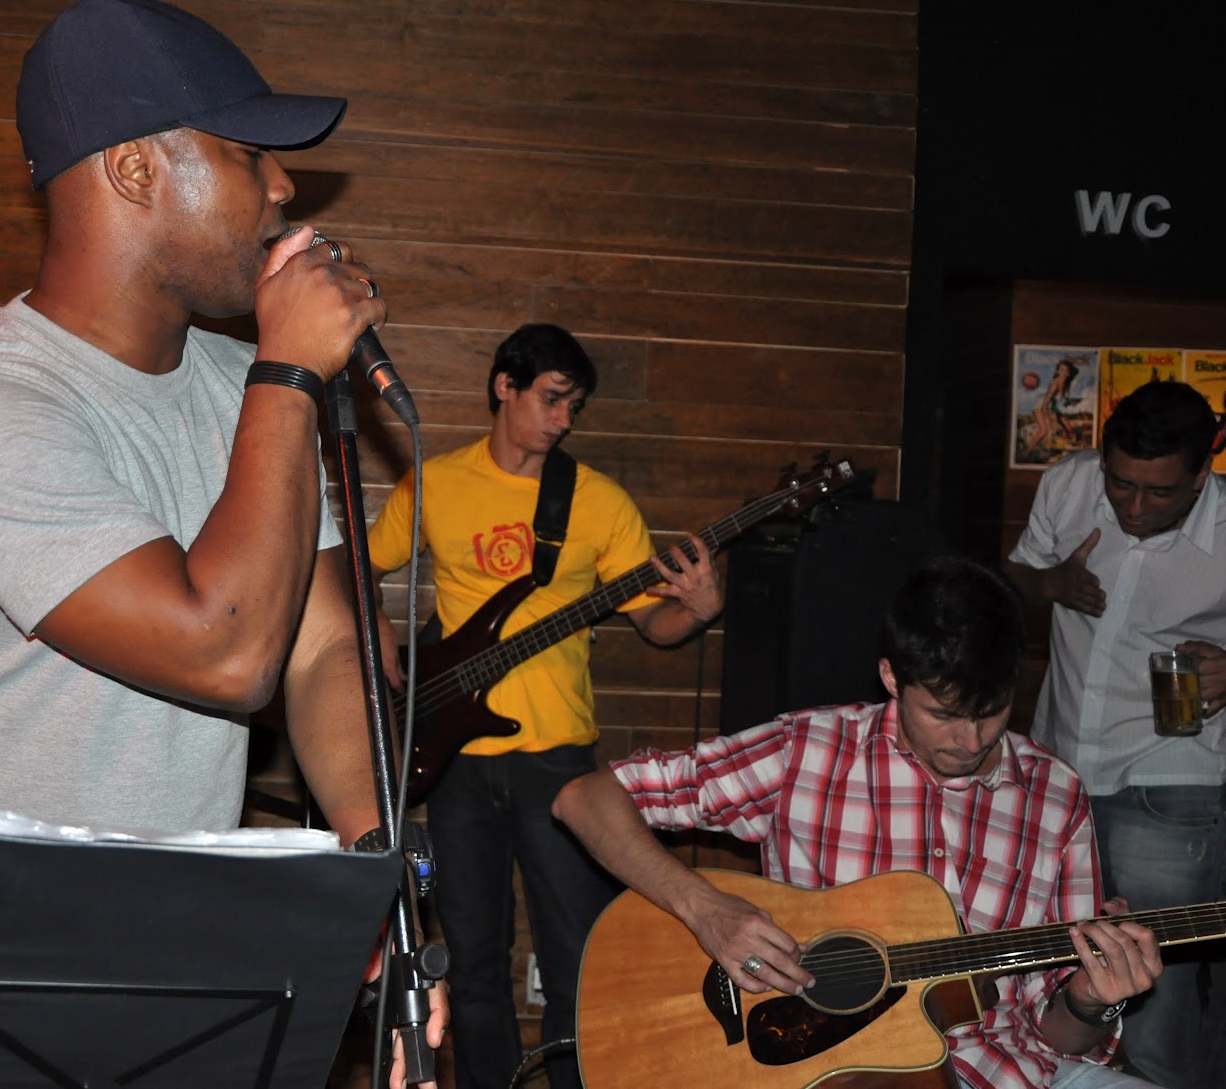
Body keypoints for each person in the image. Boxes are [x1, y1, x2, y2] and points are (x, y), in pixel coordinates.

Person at [0, 0, 443, 1083]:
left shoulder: (246, 383)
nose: (284, 188)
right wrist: (288, 373)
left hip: (184, 945)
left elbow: (326, 652)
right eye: (245, 152)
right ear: (135, 171)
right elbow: (222, 657)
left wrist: (371, 879)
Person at [552, 557, 1165, 1089]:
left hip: (1001, 1069)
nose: (969, 740)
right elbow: (586, 799)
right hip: (817, 1068)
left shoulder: (1054, 796)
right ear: (892, 678)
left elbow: (1054, 1036)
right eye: (944, 714)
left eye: (991, 711)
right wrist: (706, 908)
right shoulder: (807, 751)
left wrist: (1089, 1002)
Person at [366, 323, 726, 1089]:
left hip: (559, 763)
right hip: (455, 759)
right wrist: (380, 632)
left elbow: (654, 627)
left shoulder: (596, 501)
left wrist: (695, 610)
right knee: (472, 966)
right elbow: (357, 567)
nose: (565, 419)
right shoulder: (436, 483)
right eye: (553, 399)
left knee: (577, 964)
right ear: (505, 386)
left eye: (575, 406)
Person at [1004, 379, 1226, 1089]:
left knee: (1152, 988)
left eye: (1161, 494)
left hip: (1173, 776)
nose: (1134, 508)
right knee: (1049, 969)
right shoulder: (1067, 483)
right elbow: (1018, 573)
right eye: (1120, 484)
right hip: (1055, 769)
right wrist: (1050, 586)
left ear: (1204, 469)